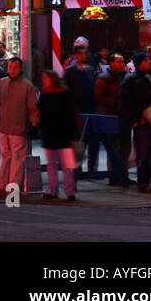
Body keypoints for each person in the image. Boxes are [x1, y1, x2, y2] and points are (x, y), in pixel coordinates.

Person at [0, 56, 40, 198]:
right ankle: (2, 186)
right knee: (7, 157)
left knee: (16, 158)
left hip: (18, 127)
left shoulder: (27, 86)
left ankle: (11, 188)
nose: (13, 70)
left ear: (21, 69)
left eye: (15, 67)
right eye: (10, 67)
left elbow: (33, 108)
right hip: (4, 126)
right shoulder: (2, 83)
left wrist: (34, 124)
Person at [120, 51, 151, 190]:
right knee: (143, 153)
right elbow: (125, 103)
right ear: (139, 63)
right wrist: (136, 119)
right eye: (146, 60)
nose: (149, 62)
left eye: (149, 60)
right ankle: (143, 182)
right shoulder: (131, 80)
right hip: (142, 122)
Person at [39, 71, 80, 201]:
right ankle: (67, 191)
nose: (44, 80)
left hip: (56, 133)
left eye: (46, 77)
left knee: (56, 164)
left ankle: (55, 189)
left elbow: (43, 115)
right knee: (64, 164)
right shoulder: (62, 93)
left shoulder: (48, 95)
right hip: (61, 133)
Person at [63, 40, 98, 172]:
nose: (85, 56)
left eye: (85, 53)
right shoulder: (70, 72)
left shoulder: (90, 70)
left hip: (91, 109)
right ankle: (77, 168)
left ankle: (92, 167)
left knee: (93, 140)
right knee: (78, 141)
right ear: (76, 56)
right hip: (77, 110)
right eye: (82, 53)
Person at [95, 54, 130, 186]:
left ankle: (123, 175)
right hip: (112, 117)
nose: (122, 64)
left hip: (124, 116)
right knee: (114, 148)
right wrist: (112, 103)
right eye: (119, 61)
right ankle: (114, 176)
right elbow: (98, 97)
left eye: (123, 61)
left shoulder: (124, 77)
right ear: (111, 64)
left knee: (125, 148)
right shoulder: (105, 79)